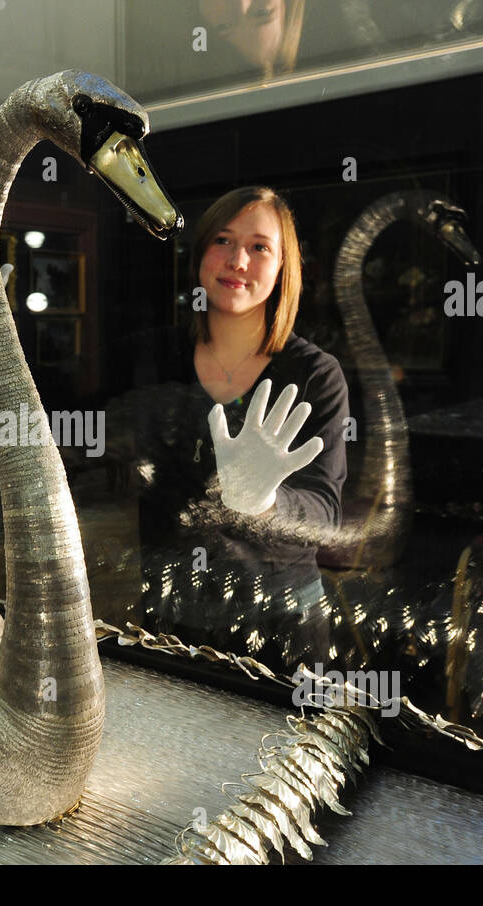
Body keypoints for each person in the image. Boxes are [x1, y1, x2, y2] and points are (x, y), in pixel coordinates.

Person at [132, 185, 349, 667]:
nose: (238, 260)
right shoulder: (158, 354)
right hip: (173, 611)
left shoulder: (315, 374)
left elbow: (326, 514)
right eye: (223, 241)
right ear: (201, 253)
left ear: (282, 268)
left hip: (279, 621)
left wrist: (265, 501)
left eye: (259, 247)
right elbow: (49, 413)